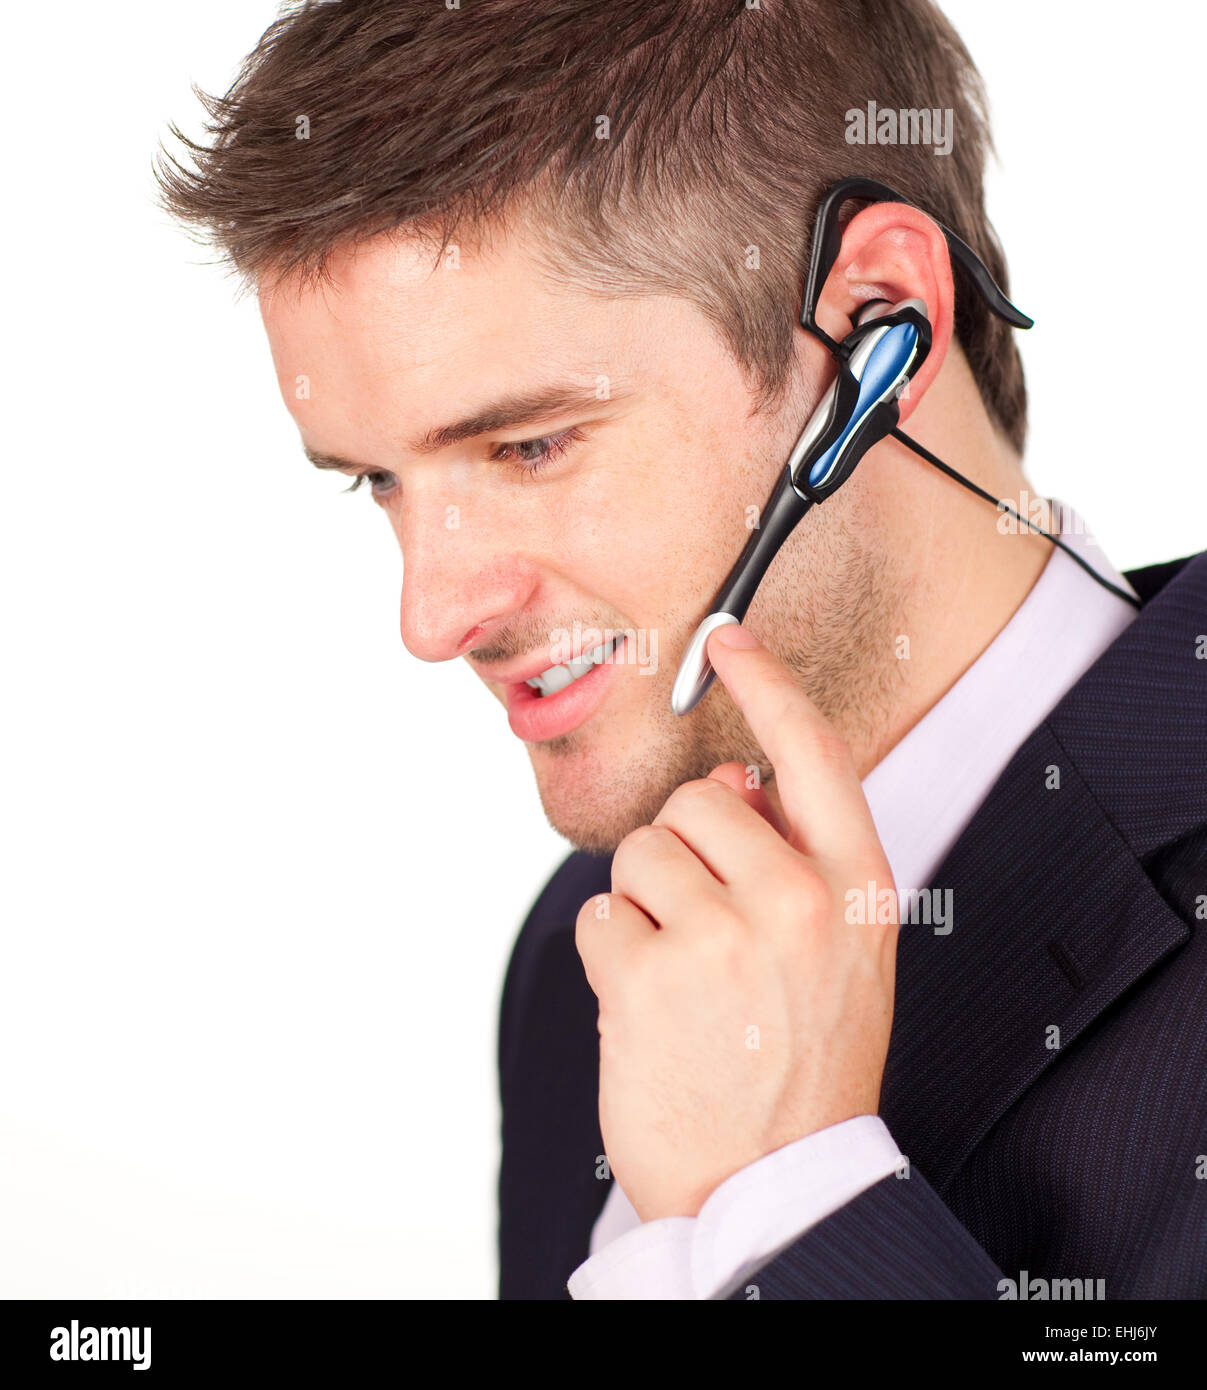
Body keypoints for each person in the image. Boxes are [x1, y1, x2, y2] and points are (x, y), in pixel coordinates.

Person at [157, 0, 1207, 1299]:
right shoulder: (589, 952)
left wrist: (798, 1194)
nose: (429, 617)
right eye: (376, 478)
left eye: (529, 446)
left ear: (881, 327)